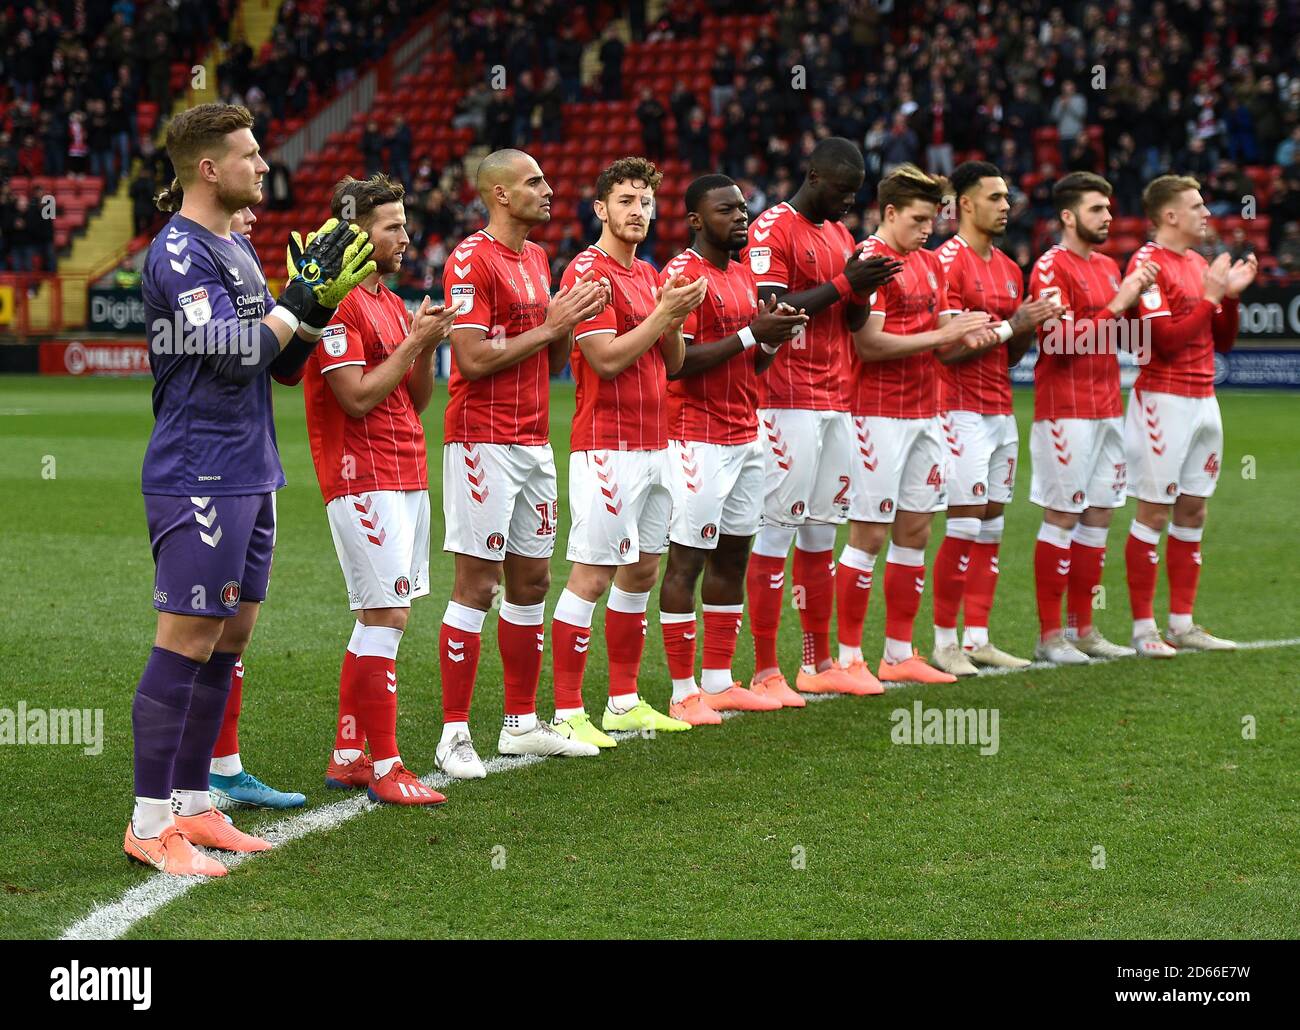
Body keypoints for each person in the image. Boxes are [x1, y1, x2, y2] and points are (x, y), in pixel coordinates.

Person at [128, 103, 373, 875]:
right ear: (209, 168)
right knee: (187, 639)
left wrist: (317, 305)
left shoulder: (235, 246)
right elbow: (229, 356)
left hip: (251, 469)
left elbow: (277, 365)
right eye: (251, 155)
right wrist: (295, 301)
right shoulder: (178, 254)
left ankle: (196, 805)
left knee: (228, 642)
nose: (265, 166)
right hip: (198, 471)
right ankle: (146, 821)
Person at [434, 150, 608, 777]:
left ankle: (519, 725)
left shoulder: (537, 259)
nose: (548, 189)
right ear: (500, 194)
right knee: (476, 586)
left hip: (534, 442)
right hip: (482, 441)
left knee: (532, 580)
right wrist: (551, 324)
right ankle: (453, 735)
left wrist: (569, 319)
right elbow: (473, 359)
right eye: (534, 182)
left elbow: (554, 354)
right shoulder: (469, 258)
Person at [548, 156, 708, 747]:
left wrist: (672, 318)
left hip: (654, 442)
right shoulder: (587, 273)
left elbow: (674, 364)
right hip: (606, 446)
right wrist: (666, 313)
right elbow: (606, 358)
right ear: (601, 209)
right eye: (626, 201)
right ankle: (567, 710)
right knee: (591, 574)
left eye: (646, 203)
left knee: (642, 569)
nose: (638, 212)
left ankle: (622, 700)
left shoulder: (648, 274)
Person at [742, 137, 901, 704]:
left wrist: (864, 286)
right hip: (785, 397)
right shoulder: (772, 229)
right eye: (842, 192)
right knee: (777, 529)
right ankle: (764, 669)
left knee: (820, 530)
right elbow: (774, 311)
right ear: (814, 177)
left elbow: (852, 319)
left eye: (856, 195)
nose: (848, 204)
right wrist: (844, 285)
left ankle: (817, 661)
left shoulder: (839, 235)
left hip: (836, 398)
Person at [657, 174, 808, 724]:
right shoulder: (682, 275)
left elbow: (752, 363)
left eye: (744, 208)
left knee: (733, 554)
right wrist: (751, 335)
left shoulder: (745, 277)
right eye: (727, 210)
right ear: (696, 220)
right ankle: (681, 690)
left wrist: (771, 337)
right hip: (696, 434)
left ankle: (719, 680)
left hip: (746, 433)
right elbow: (681, 364)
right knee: (687, 559)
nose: (741, 217)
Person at [847, 164, 997, 684]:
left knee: (915, 530)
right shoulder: (870, 261)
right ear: (889, 213)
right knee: (868, 534)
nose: (927, 228)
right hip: (876, 415)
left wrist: (970, 334)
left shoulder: (930, 264)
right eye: (918, 218)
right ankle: (847, 657)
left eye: (933, 218)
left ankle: (898, 653)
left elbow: (938, 333)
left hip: (925, 414)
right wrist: (940, 338)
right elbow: (868, 344)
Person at [929, 162, 1060, 673]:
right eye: (996, 197)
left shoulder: (1009, 268)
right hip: (956, 409)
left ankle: (978, 637)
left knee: (990, 527)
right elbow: (949, 349)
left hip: (999, 410)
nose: (1007, 206)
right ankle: (944, 643)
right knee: (963, 524)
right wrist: (1016, 324)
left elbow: (1005, 354)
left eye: (1008, 198)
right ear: (965, 203)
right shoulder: (947, 262)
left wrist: (1030, 325)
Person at [1026, 172, 1158, 665]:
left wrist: (1134, 308)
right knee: (1062, 517)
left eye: (1108, 208)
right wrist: (1120, 302)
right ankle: (1049, 636)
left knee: (1099, 517)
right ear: (1068, 215)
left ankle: (1084, 629)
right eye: (1097, 209)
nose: (1107, 217)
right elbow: (1059, 345)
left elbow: (1121, 337)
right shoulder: (1048, 269)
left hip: (1107, 408)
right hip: (1065, 411)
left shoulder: (1107, 266)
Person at [1122, 175, 1258, 655]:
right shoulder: (1147, 264)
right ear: (1170, 215)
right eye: (1197, 206)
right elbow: (1166, 341)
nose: (1207, 214)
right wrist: (1210, 298)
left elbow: (1221, 341)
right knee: (1153, 512)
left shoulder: (1198, 262)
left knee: (1194, 508)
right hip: (1162, 400)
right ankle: (1143, 631)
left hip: (1204, 398)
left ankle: (1182, 623)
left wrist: (1231, 297)